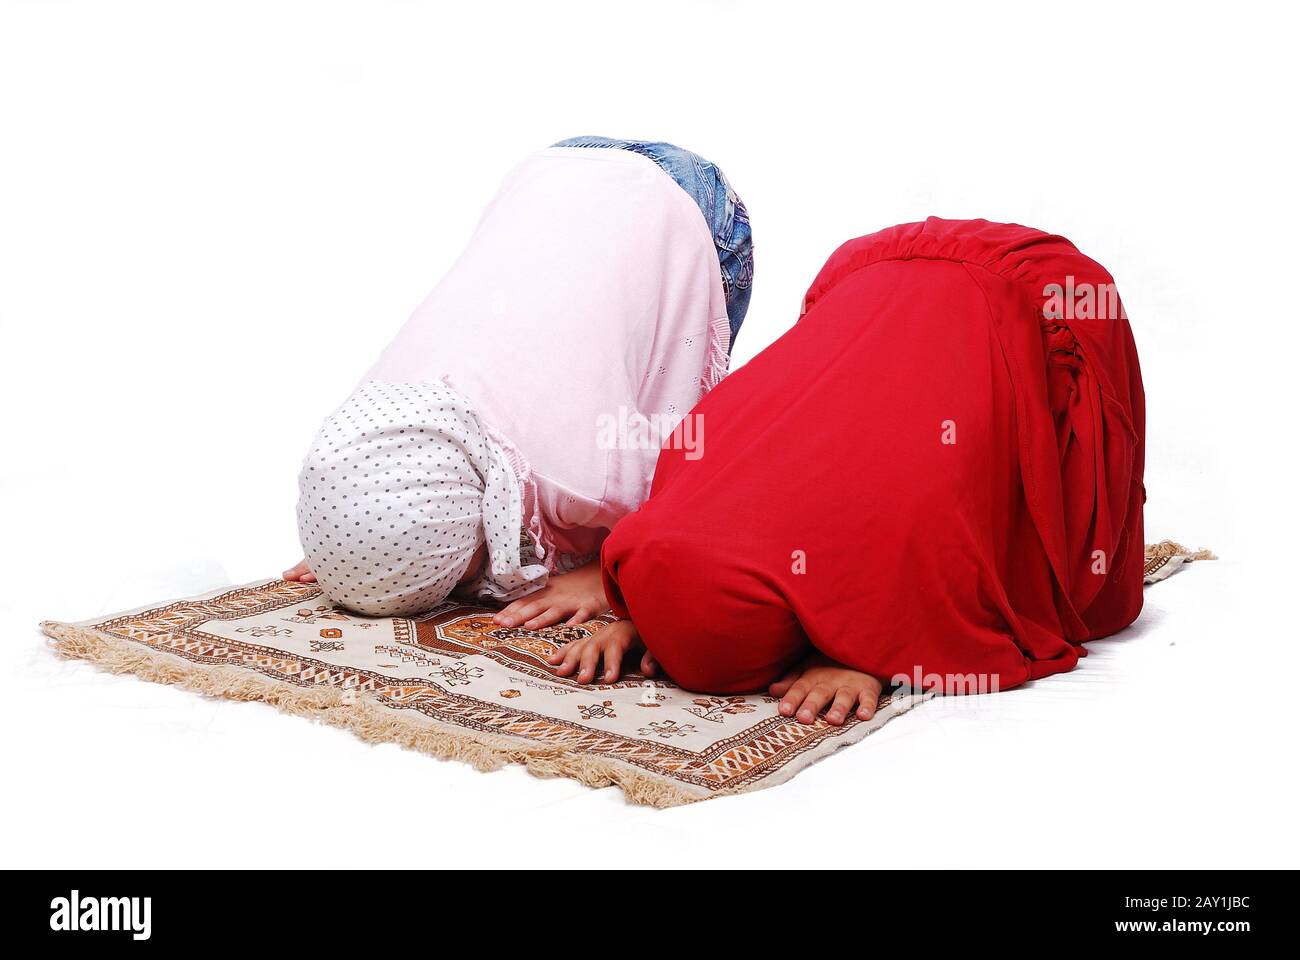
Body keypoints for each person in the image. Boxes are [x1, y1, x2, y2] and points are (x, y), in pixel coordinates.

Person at [553, 218, 1146, 727]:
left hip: (1041, 289)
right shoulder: (686, 471)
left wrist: (870, 651)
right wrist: (649, 622)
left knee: (975, 463)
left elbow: (969, 583)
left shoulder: (917, 523)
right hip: (865, 275)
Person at [284, 137, 753, 626]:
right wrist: (355, 547)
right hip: (553, 172)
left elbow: (701, 497)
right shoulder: (380, 412)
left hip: (687, 204)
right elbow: (360, 490)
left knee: (678, 375)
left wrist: (601, 577)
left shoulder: (583, 472)